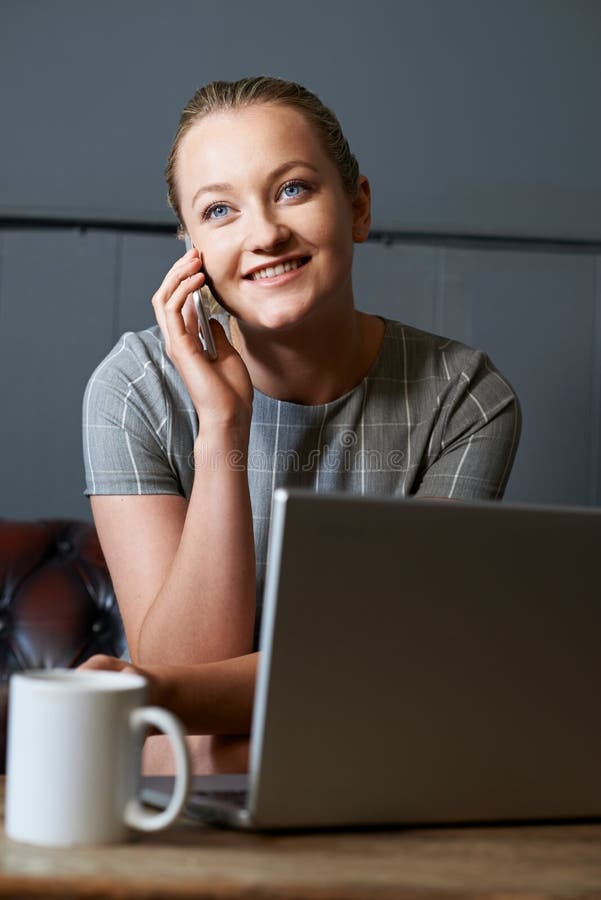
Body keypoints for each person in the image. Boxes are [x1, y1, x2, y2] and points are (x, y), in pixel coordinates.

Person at [81, 75, 521, 774]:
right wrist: (222, 425)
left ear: (357, 206)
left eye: (291, 189)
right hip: (194, 790)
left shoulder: (462, 397)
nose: (264, 234)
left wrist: (163, 693)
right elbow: (185, 691)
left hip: (367, 770)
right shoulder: (134, 385)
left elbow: (381, 668)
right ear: (190, 246)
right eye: (219, 211)